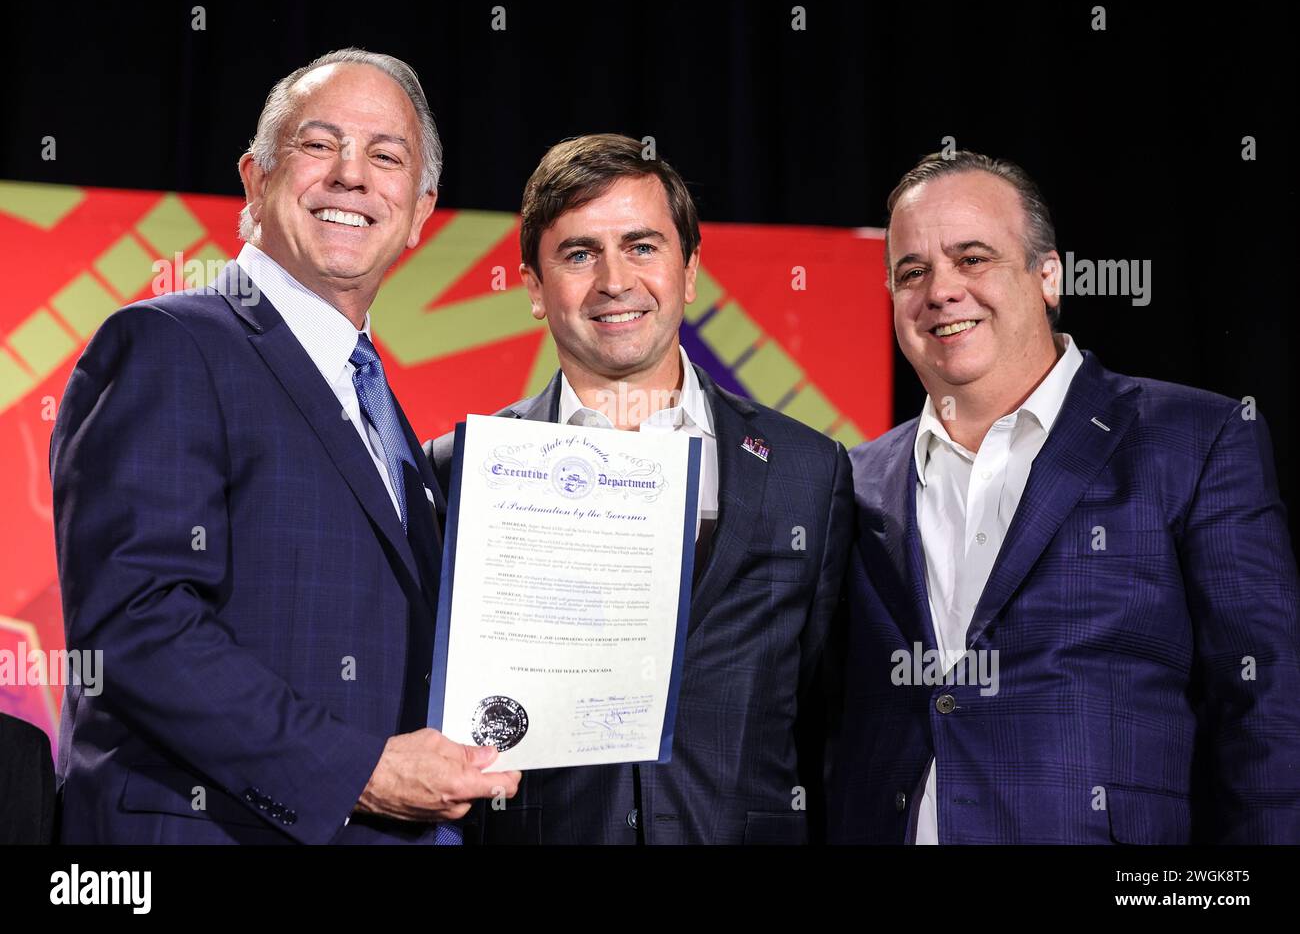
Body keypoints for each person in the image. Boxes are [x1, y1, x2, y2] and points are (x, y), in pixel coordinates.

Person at [50, 48, 518, 844]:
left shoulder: (383, 411)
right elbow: (138, 624)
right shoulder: (168, 344)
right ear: (255, 179)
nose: (350, 175)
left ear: (419, 211)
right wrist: (361, 771)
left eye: (386, 156)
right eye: (318, 143)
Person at [827, 150, 1300, 843]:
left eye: (973, 258)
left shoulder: (1192, 440)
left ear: (1047, 276)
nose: (941, 291)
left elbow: (1268, 702)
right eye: (912, 271)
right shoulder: (855, 477)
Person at [426, 134, 853, 843]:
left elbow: (829, 715)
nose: (615, 280)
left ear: (689, 273)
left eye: (643, 246)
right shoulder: (457, 471)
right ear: (534, 288)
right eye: (579, 253)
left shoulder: (809, 472)